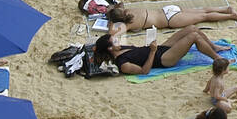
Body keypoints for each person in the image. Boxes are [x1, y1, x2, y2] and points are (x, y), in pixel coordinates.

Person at [93, 26, 225, 71]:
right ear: (110, 48)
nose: (118, 40)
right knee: (194, 37)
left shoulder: (121, 48)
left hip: (159, 49)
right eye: (115, 41)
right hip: (163, 59)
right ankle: (218, 59)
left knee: (192, 28)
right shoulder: (123, 64)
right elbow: (144, 71)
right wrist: (152, 51)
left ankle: (214, 47)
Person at [106, 2, 237, 35]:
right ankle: (225, 9)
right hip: (168, 9)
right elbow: (120, 4)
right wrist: (112, 10)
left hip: (170, 20)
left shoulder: (129, 24)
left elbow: (112, 32)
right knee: (201, 11)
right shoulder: (129, 10)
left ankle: (231, 16)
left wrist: (111, 21)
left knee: (203, 17)